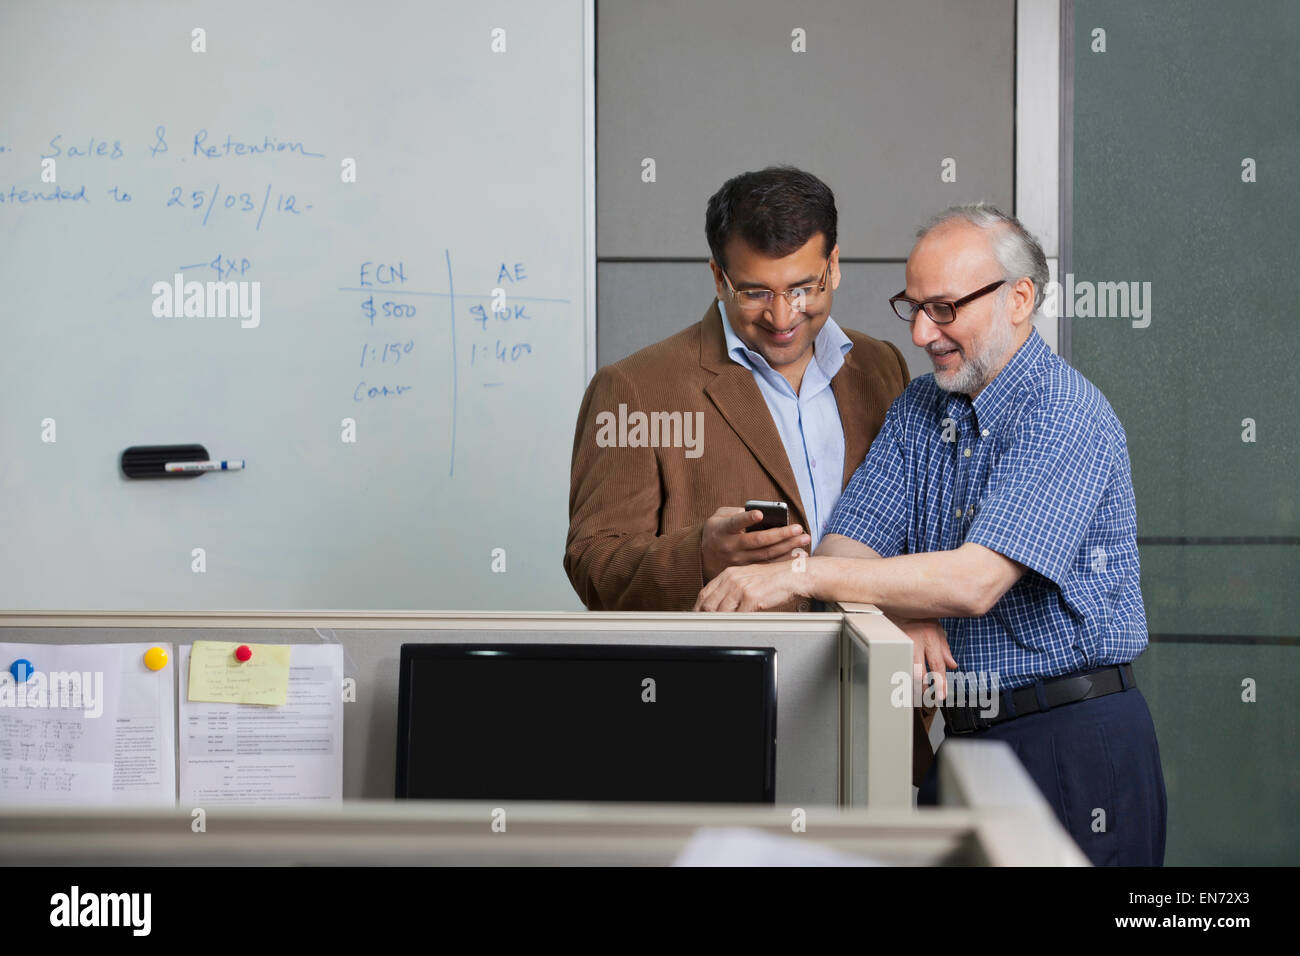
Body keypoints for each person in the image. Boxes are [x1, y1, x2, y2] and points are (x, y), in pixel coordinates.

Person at [696, 204, 1167, 866]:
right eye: (912, 307)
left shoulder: (1065, 414)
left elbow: (973, 584)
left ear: (1020, 298)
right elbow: (844, 548)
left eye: (944, 309)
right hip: (963, 739)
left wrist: (795, 576)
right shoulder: (923, 409)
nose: (922, 333)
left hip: (1073, 738)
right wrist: (905, 605)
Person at [565, 166, 935, 782]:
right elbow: (591, 563)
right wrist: (699, 555)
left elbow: (911, 523)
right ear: (718, 277)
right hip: (711, 733)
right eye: (755, 291)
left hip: (876, 717)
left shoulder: (881, 366)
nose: (784, 315)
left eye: (805, 287)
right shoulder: (633, 389)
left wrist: (917, 609)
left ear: (834, 266)